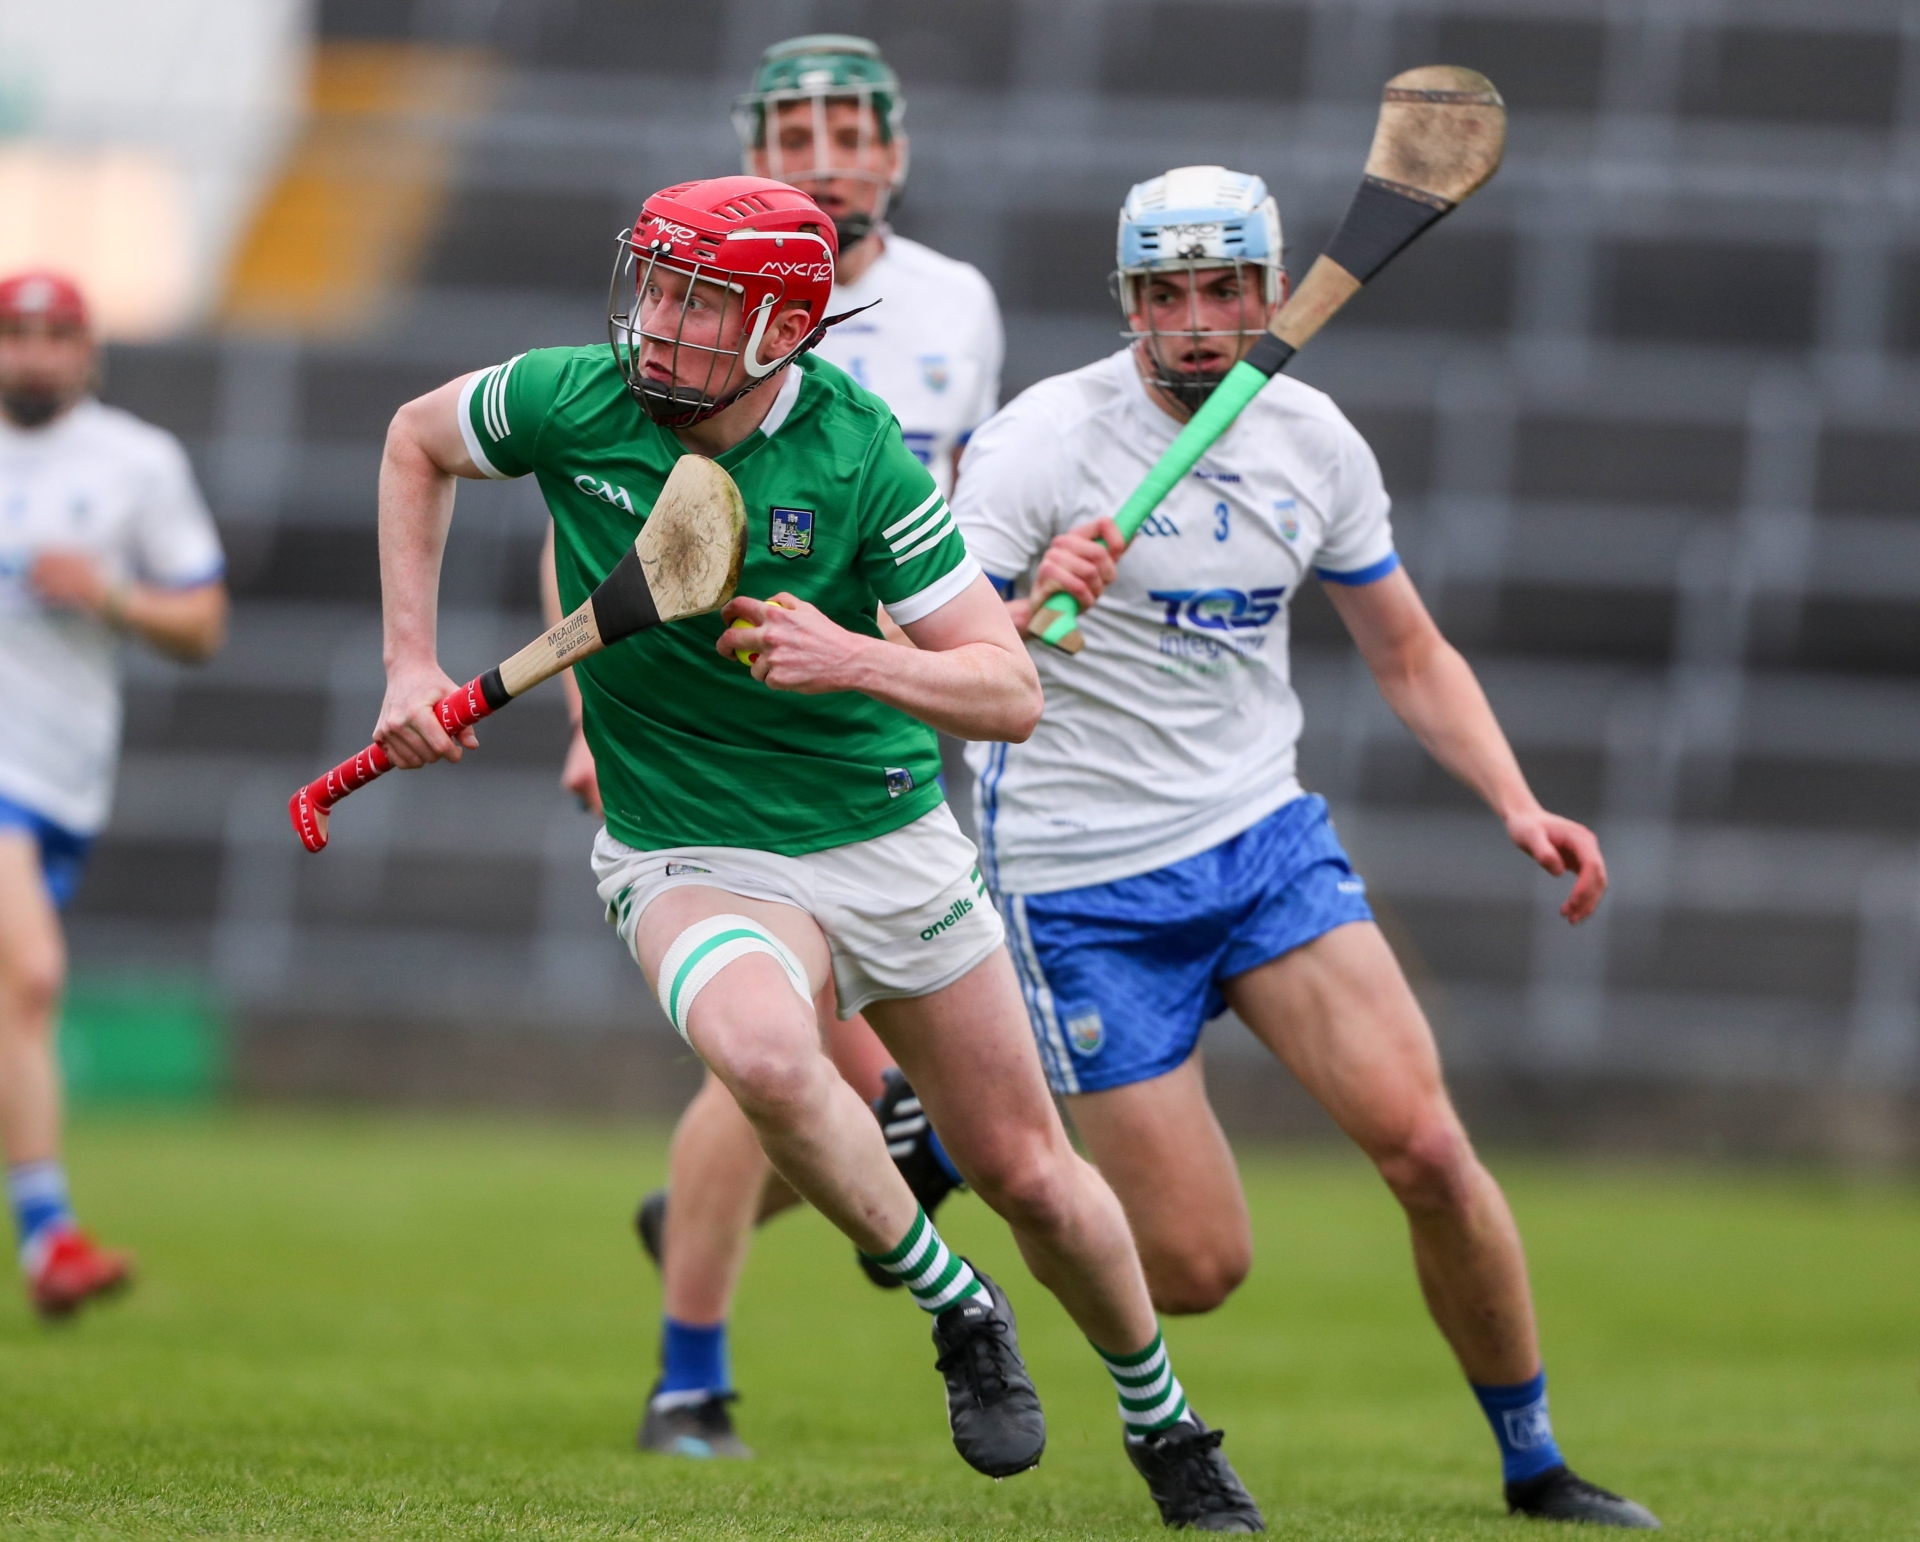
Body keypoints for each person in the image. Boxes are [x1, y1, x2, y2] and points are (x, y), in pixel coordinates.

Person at [376, 175, 1264, 1531]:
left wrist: (850, 654)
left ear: (782, 331)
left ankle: (1166, 1425)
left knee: (1029, 1172)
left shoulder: (857, 452)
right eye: (655, 282)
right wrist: (406, 661)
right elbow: (412, 440)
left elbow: (1007, 685)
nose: (656, 319)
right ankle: (957, 1305)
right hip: (686, 842)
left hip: (884, 833)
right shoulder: (570, 396)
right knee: (766, 1054)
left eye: (698, 299)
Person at [945, 165, 1662, 1529]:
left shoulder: (1314, 442)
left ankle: (1536, 1465)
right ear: (1131, 303)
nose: (1201, 320)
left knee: (1431, 1153)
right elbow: (946, 644)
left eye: (1227, 289)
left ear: (1273, 295)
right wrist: (1032, 598)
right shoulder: (1041, 442)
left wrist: (1515, 798)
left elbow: (1407, 647)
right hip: (1081, 877)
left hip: (1262, 840)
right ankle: (995, 1201)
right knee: (1201, 1268)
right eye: (1169, 293)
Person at [540, 33, 1005, 1459]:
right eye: (792, 131)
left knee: (887, 1093)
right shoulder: (690, 302)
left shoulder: (955, 306)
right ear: (755, 154)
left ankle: (746, 1208)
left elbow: (961, 512)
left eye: (848, 128)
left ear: (896, 152)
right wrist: (581, 715)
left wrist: (1017, 608)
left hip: (883, 707)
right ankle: (690, 1376)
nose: (822, 154)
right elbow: (611, 531)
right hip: (715, 727)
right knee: (767, 1052)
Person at [0, 270, 228, 1317]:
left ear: (87, 351)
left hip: (62, 777)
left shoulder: (138, 462)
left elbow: (203, 623)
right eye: (15, 333)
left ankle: (46, 1234)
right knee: (34, 974)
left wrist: (109, 593)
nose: (35, 352)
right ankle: (49, 1232)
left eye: (54, 334)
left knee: (17, 998)